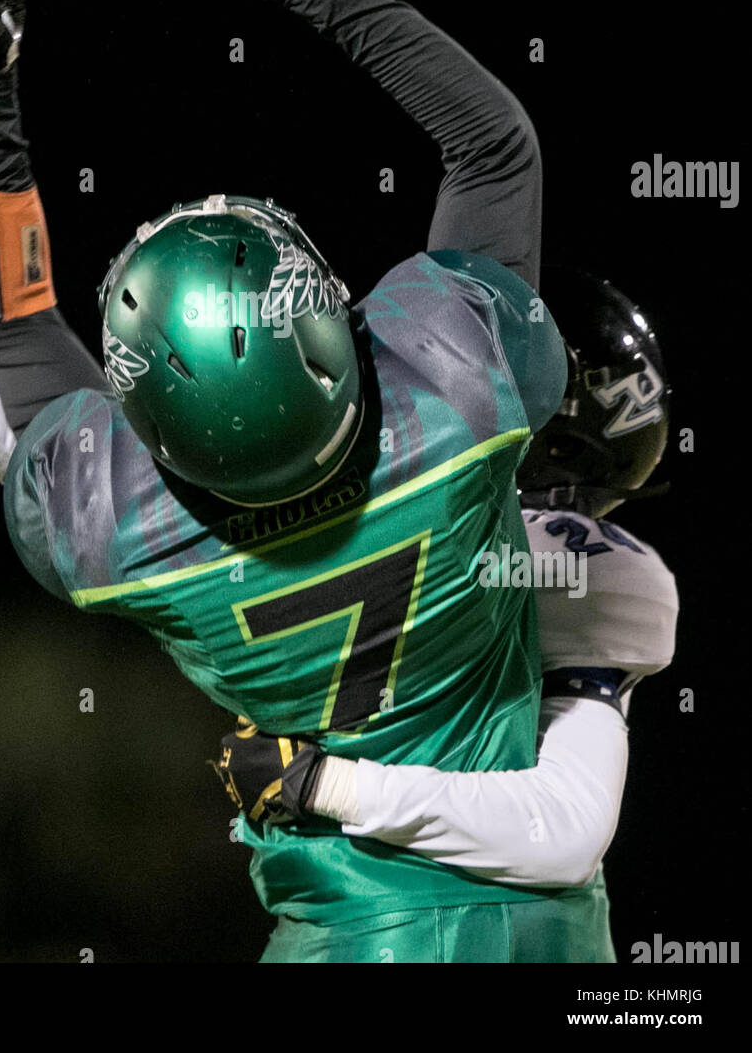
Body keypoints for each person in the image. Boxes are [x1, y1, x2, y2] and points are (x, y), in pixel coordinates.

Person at [0, 0, 610, 962]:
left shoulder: (124, 536)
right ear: (325, 323)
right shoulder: (457, 393)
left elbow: (21, 333)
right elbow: (491, 145)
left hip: (330, 932)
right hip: (539, 928)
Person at [214, 271, 678, 932]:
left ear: (542, 430)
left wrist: (327, 786)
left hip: (486, 934)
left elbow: (564, 830)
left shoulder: (570, 569)